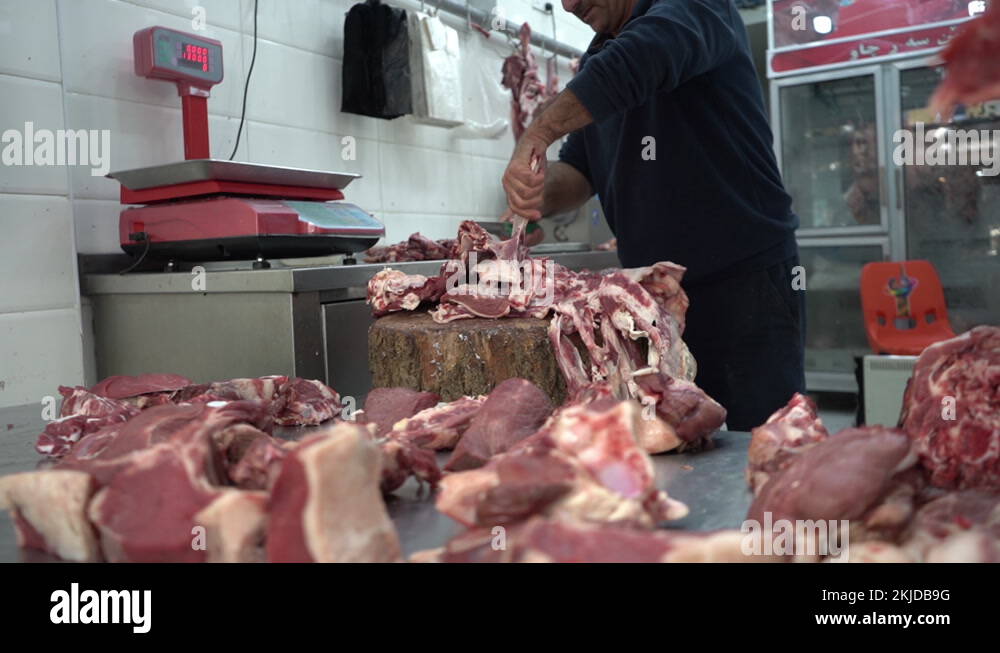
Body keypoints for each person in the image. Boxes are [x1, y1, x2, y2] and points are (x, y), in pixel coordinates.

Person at [501, 0, 804, 431]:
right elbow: (581, 170)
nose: (569, 5)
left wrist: (538, 131)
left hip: (741, 287)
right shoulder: (599, 57)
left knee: (760, 443)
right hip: (654, 300)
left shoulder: (694, 9)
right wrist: (535, 192)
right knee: (676, 447)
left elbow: (640, 60)